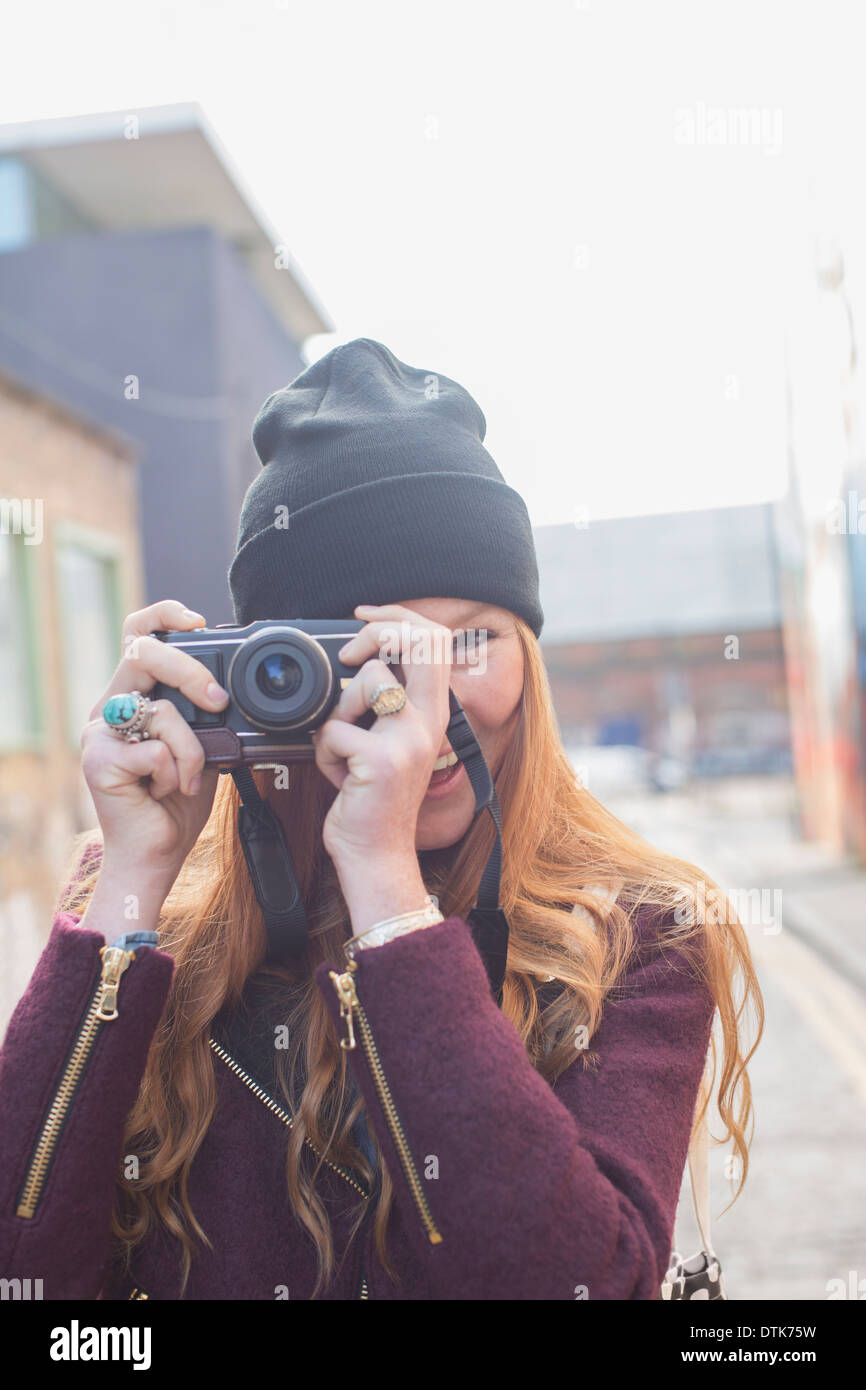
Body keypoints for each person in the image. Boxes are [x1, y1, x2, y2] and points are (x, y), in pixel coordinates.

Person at [0, 339, 763, 1300]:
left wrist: (388, 897)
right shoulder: (146, 913)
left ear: (530, 655)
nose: (428, 697)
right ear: (272, 674)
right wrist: (128, 887)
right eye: (372, 643)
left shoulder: (640, 932)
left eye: (470, 637)